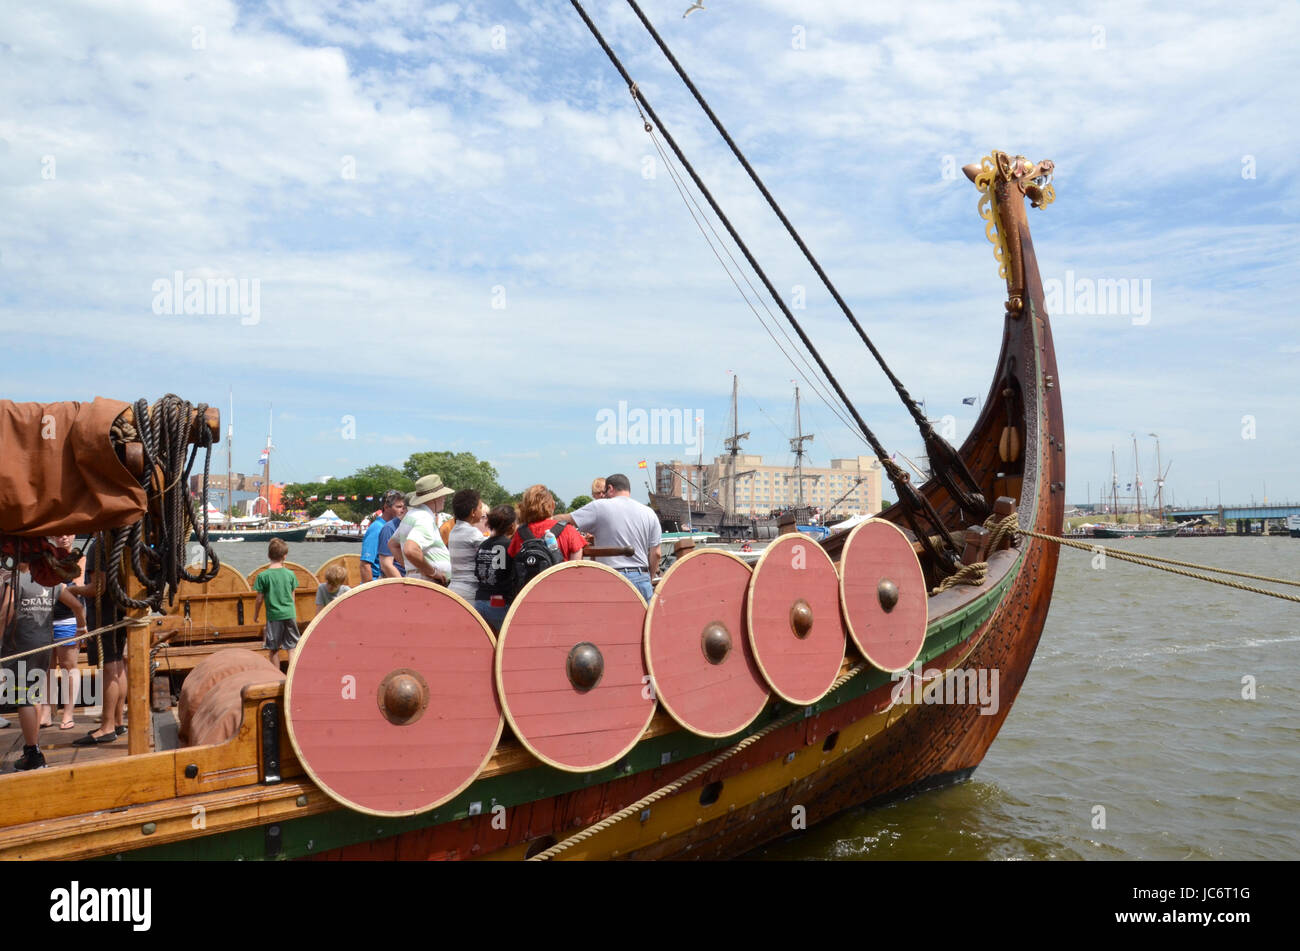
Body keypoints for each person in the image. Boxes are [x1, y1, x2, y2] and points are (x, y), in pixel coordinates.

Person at [1, 562, 87, 769]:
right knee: (33, 695)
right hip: (43, 644)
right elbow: (76, 605)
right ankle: (34, 749)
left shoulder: (14, 579)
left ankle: (33, 752)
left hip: (20, 645)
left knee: (24, 699)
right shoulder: (52, 582)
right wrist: (82, 627)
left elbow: (6, 613)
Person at [555, 473, 661, 600]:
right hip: (641, 578)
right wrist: (648, 577)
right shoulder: (649, 513)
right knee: (643, 619)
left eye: (604, 492)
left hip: (611, 576)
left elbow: (567, 519)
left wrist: (548, 517)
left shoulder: (600, 507)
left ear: (610, 488)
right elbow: (657, 553)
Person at [75, 535, 128, 746]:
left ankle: (106, 727)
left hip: (104, 614)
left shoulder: (99, 546)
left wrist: (71, 590)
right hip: (121, 612)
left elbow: (98, 587)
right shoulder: (121, 542)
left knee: (109, 667)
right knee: (118, 665)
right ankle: (117, 722)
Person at [508, 485, 587, 592]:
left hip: (528, 595)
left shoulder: (520, 533)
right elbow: (576, 569)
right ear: (552, 505)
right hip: (560, 592)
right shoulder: (568, 531)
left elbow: (513, 562)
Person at [391, 474, 454, 584]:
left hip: (419, 580)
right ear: (435, 498)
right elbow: (410, 549)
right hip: (429, 583)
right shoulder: (425, 518)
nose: (444, 498)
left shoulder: (411, 515)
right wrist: (432, 572)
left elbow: (392, 544)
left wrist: (411, 567)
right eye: (443, 495)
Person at [253, 537, 299, 669]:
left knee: (273, 649)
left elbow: (259, 599)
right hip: (290, 614)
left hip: (274, 617)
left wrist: (256, 615)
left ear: (268, 555)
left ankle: (277, 676)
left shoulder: (263, 576)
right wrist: (291, 611)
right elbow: (292, 597)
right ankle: (292, 677)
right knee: (292, 648)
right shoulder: (290, 574)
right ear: (285, 556)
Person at [473, 505, 517, 631]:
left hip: (480, 601)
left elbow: (477, 572)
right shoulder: (510, 546)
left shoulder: (483, 545)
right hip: (500, 602)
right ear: (512, 526)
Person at [447, 489, 487, 601]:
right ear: (473, 512)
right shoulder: (472, 532)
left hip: (454, 587)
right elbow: (488, 549)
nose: (482, 512)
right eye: (480, 508)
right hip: (469, 590)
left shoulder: (454, 531)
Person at [361, 490, 407, 582]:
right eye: (398, 507)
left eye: (404, 507)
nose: (403, 510)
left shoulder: (395, 527)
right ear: (386, 507)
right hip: (377, 583)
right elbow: (365, 565)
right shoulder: (377, 528)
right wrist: (371, 592)